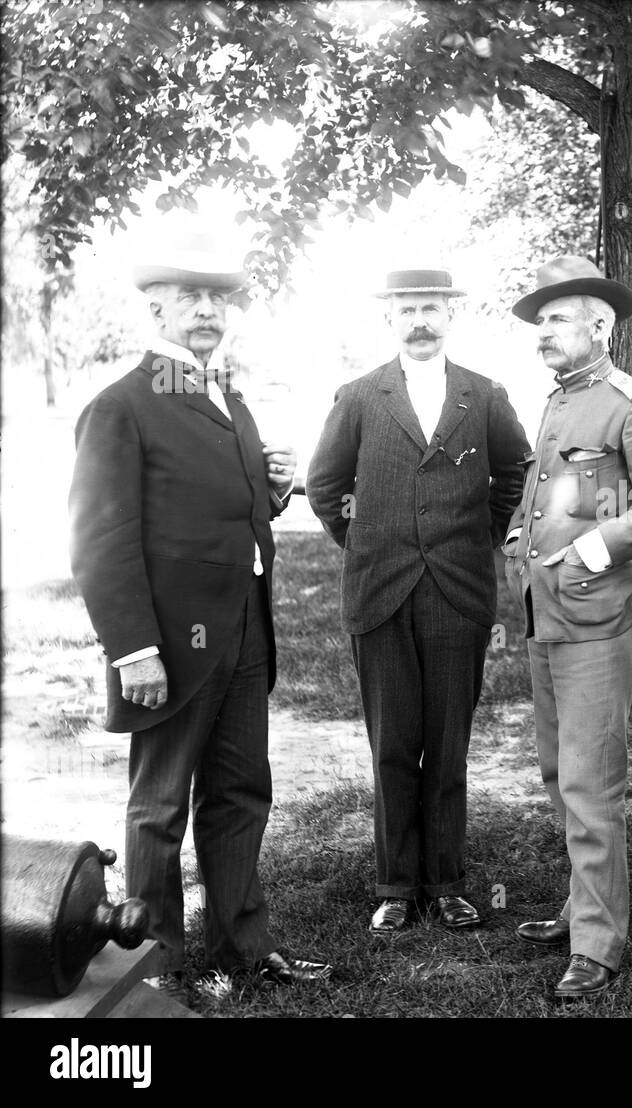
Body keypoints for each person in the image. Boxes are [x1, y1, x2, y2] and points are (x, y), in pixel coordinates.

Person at [68, 230, 330, 1001]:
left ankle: (242, 946)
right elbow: (99, 538)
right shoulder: (121, 405)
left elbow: (223, 509)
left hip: (244, 628)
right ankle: (151, 964)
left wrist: (273, 486)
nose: (208, 311)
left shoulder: (227, 394)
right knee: (158, 807)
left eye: (219, 298)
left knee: (242, 791)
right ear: (155, 307)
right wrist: (132, 650)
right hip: (170, 642)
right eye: (190, 298)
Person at [307, 268, 530, 934]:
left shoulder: (483, 395)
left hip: (457, 593)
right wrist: (370, 540)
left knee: (448, 742)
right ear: (391, 319)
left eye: (431, 308)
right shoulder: (359, 396)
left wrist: (478, 538)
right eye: (408, 310)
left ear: (451, 315)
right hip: (380, 592)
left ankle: (449, 881)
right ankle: (397, 884)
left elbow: (515, 472)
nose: (420, 321)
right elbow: (325, 485)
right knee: (394, 744)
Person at [505, 256, 632, 999]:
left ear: (600, 325)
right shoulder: (559, 400)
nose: (543, 333)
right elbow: (551, 492)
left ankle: (598, 946)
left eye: (556, 319)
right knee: (559, 775)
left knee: (590, 784)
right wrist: (522, 540)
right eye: (540, 322)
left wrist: (589, 547)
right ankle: (585, 907)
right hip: (545, 616)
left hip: (595, 618)